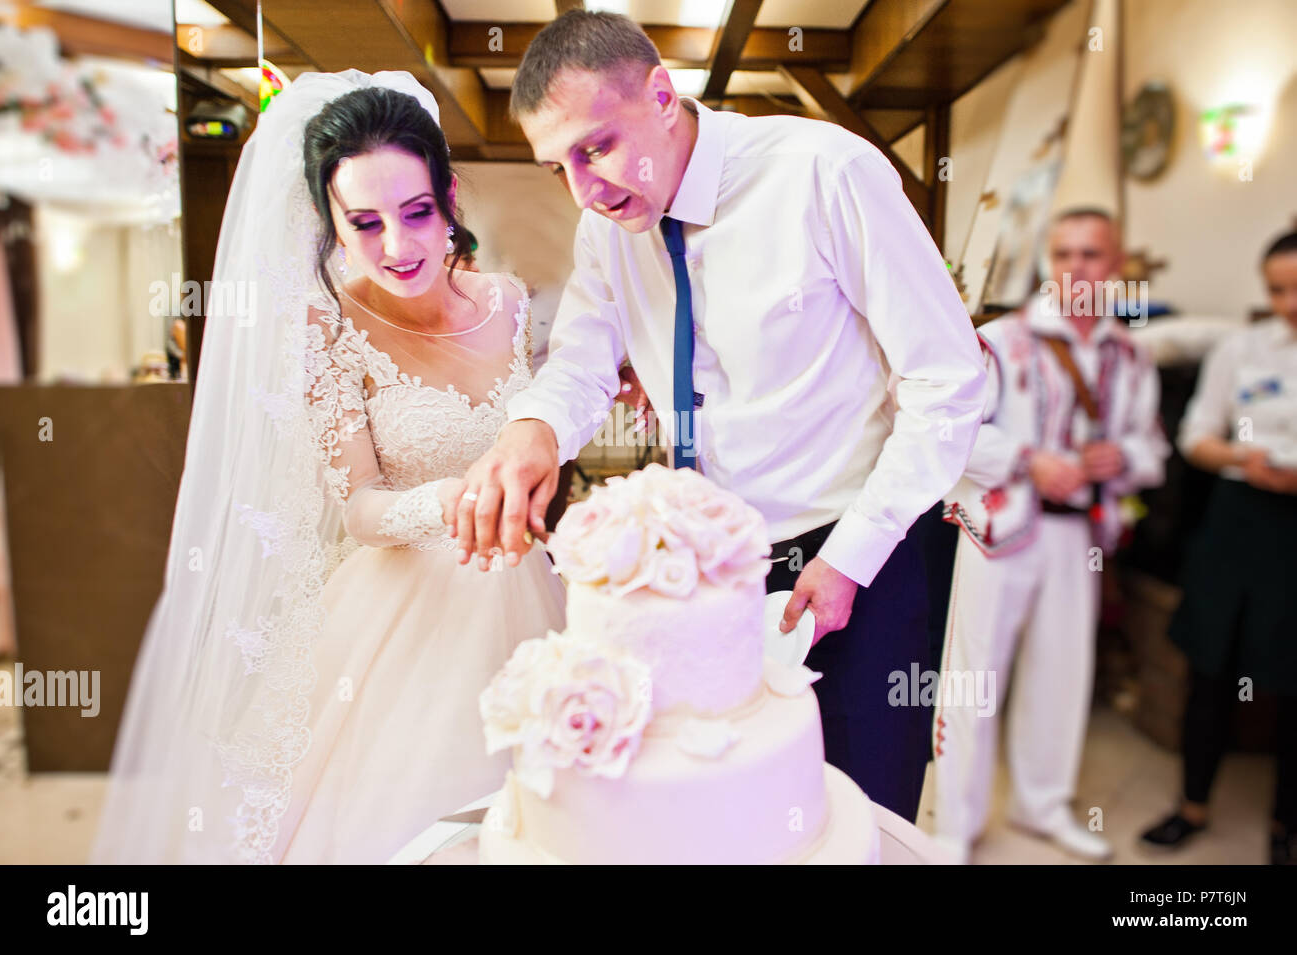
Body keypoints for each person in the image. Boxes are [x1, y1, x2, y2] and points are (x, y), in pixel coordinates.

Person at [446, 10, 987, 822]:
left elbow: (949, 380)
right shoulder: (608, 229)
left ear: (662, 94)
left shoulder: (824, 172)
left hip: (862, 553)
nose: (586, 190)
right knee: (738, 815)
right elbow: (584, 363)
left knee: (860, 815)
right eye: (559, 167)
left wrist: (851, 556)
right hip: (715, 576)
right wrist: (533, 433)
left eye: (595, 146)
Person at [92, 71, 564, 864]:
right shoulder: (327, 328)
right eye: (365, 222)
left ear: (449, 197)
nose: (397, 246)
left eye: (417, 213)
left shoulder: (512, 303)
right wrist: (454, 500)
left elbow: (541, 430)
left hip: (523, 585)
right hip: (401, 610)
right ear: (331, 224)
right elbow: (362, 508)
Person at [934, 209, 1169, 862]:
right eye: (1062, 253)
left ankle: (1043, 807)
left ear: (1117, 263)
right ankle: (954, 823)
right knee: (973, 679)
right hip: (1001, 533)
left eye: (1091, 253)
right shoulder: (1001, 340)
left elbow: (1153, 447)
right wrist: (1029, 458)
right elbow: (951, 432)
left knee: (1063, 675)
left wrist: (1121, 458)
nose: (1075, 267)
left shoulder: (1130, 354)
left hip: (1081, 537)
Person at [1140, 230, 1297, 865]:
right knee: (1210, 670)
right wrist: (1241, 456)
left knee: (1291, 684)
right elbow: (1196, 434)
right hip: (1237, 521)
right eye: (1278, 289)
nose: (1288, 302)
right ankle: (1191, 805)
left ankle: (1287, 824)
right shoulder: (1244, 348)